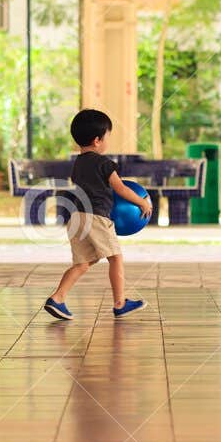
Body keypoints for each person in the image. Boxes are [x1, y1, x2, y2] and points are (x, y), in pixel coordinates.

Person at [43, 108, 152, 321]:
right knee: (116, 258)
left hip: (77, 217)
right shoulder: (104, 164)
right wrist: (142, 202)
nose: (108, 141)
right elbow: (120, 189)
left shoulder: (78, 164)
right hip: (97, 217)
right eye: (107, 137)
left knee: (83, 263)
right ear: (97, 140)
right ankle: (120, 303)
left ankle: (57, 298)